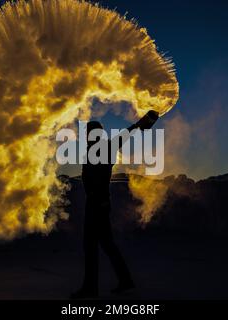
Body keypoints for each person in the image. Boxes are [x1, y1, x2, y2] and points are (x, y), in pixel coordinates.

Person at [71, 110, 160, 299]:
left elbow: (123, 136)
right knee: (106, 244)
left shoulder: (105, 148)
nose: (87, 136)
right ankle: (125, 280)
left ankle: (90, 289)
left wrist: (139, 125)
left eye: (90, 132)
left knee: (91, 245)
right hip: (98, 202)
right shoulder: (97, 149)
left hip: (97, 203)